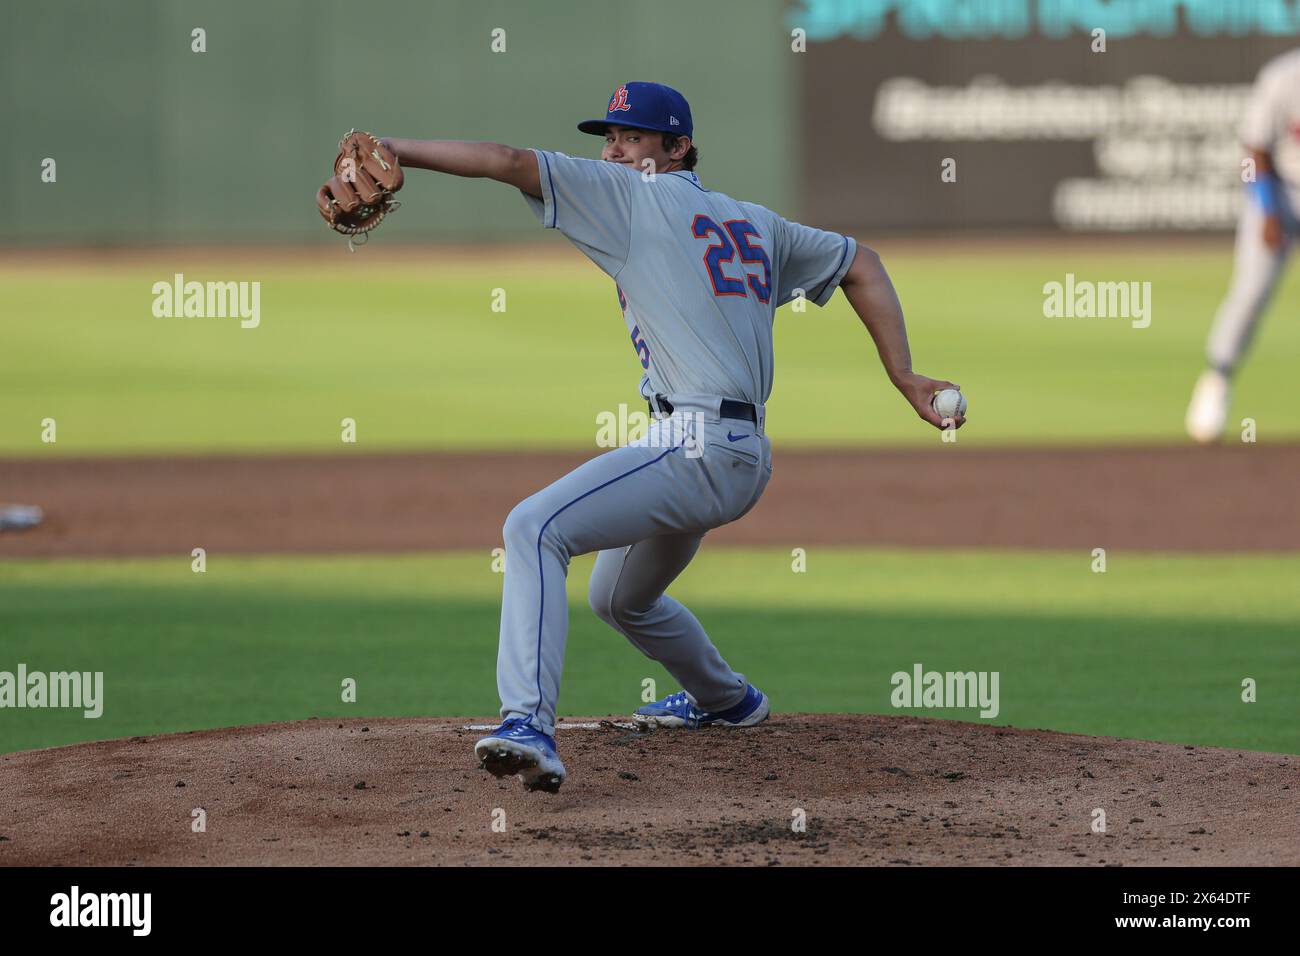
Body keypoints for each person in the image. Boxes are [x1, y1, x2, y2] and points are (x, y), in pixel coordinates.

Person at [378, 82, 963, 792]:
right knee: (619, 599)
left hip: (694, 445)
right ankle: (729, 700)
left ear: (676, 147)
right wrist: (902, 375)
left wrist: (393, 148)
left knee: (533, 528)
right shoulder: (754, 221)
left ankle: (527, 723)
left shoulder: (630, 196)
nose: (615, 151)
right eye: (610, 137)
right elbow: (860, 262)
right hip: (739, 457)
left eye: (632, 137)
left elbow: (504, 159)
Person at [1187, 49, 1300, 442]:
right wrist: (1267, 210)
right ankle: (1217, 380)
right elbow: (1253, 153)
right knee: (1251, 292)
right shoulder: (1285, 76)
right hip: (1281, 192)